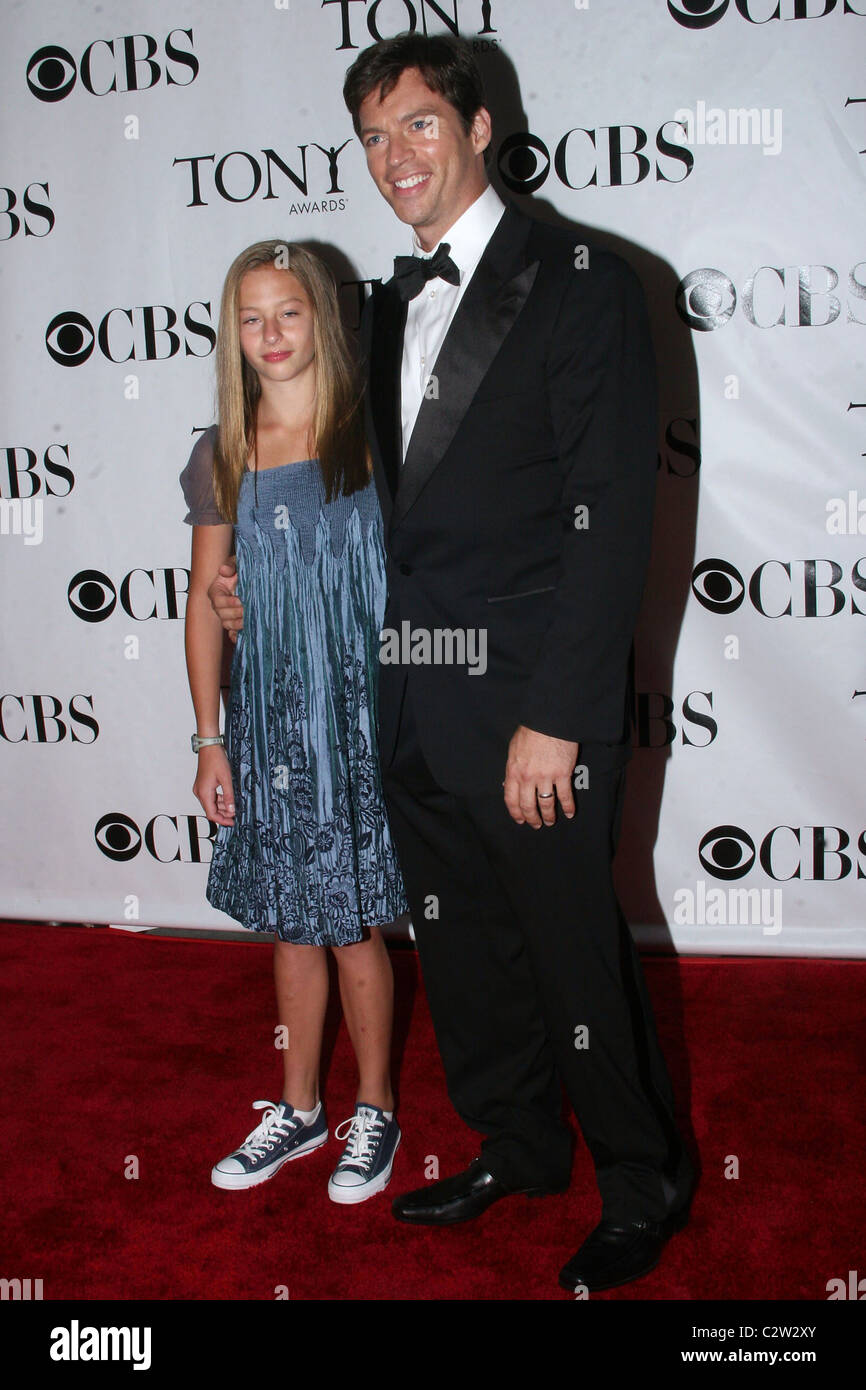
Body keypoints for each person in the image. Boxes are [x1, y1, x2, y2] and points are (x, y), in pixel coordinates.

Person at [209, 35, 694, 1293]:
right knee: (467, 950)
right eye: (372, 138)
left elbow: (610, 515)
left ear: (481, 128)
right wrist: (233, 576)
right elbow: (304, 474)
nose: (394, 158)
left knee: (574, 949)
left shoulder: (586, 279)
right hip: (404, 699)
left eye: (418, 125)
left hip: (528, 705)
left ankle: (641, 1183)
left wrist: (560, 713)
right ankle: (516, 1145)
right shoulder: (372, 305)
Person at [180, 239, 407, 1204]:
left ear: (323, 317)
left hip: (360, 721)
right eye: (249, 317)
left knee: (354, 924)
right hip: (269, 726)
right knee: (291, 925)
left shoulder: (374, 431)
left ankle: (377, 1111)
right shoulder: (222, 451)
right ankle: (300, 1107)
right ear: (231, 333)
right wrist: (208, 738)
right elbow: (204, 596)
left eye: (288, 313)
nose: (270, 336)